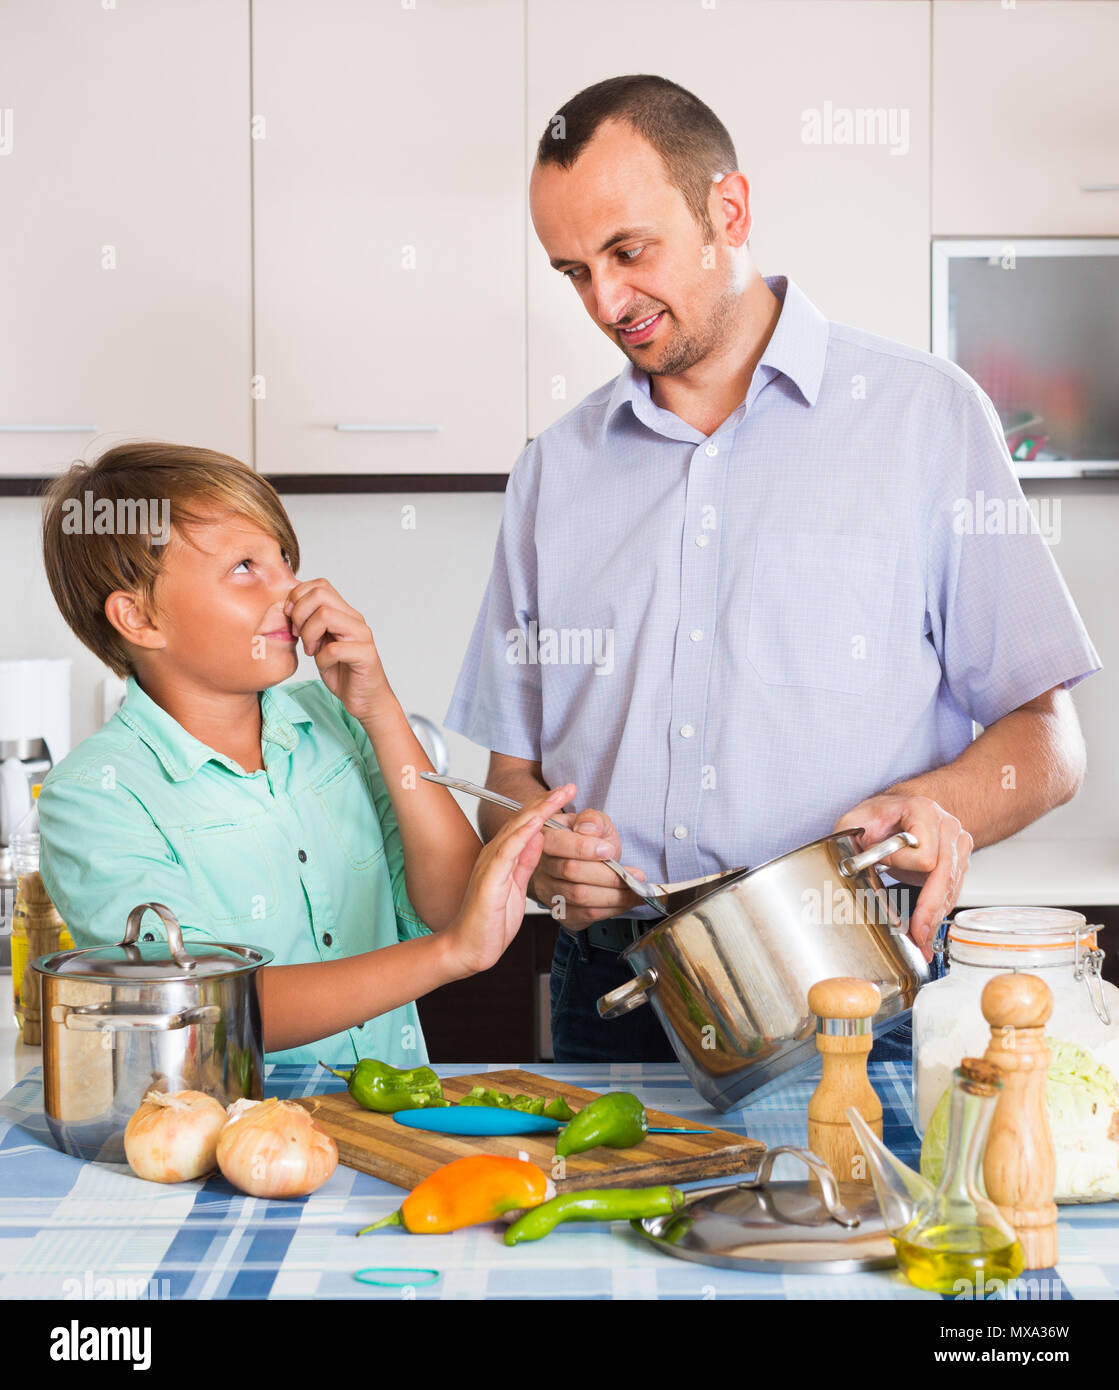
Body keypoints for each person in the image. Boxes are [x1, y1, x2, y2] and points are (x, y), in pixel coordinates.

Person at [445, 75, 1101, 1064]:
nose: (607, 301)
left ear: (729, 209)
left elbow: (1048, 743)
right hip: (619, 994)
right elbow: (509, 773)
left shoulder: (927, 420)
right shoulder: (556, 468)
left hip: (854, 989)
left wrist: (944, 803)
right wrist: (543, 866)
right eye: (574, 270)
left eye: (629, 251)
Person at [37, 441, 569, 1066]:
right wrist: (447, 956)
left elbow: (455, 901)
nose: (292, 589)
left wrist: (380, 708)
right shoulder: (94, 797)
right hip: (236, 1137)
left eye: (285, 559)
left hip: (389, 1121)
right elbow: (207, 1009)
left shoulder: (336, 721)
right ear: (140, 619)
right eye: (245, 567)